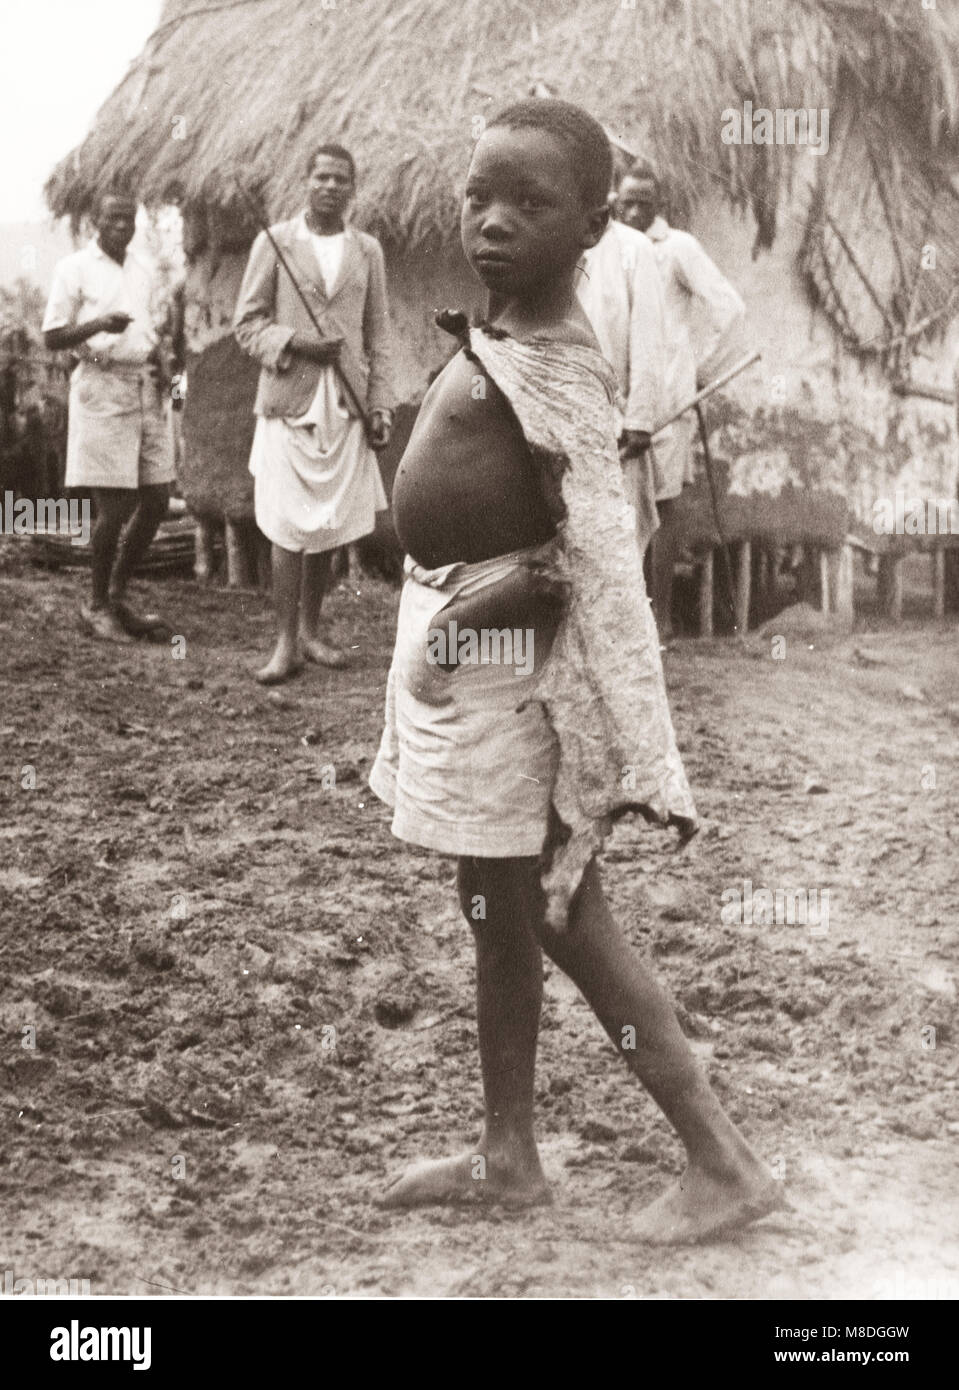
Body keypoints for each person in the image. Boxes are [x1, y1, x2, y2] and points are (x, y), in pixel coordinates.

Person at [369, 98, 779, 1242]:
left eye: (529, 203)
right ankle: (507, 1153)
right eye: (478, 196)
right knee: (494, 903)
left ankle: (723, 1159)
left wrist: (470, 625)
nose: (492, 221)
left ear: (591, 226)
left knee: (561, 912)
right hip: (465, 650)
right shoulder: (506, 340)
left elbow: (586, 567)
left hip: (510, 669)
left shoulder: (559, 369)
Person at [234, 143, 396, 684]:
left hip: (345, 403)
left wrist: (380, 405)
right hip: (289, 402)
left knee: (325, 525)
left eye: (340, 179)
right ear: (306, 181)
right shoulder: (276, 243)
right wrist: (299, 342)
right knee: (287, 522)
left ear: (353, 188)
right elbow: (247, 325)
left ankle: (310, 630)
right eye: (321, 177)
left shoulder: (367, 250)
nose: (330, 187)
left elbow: (379, 335)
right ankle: (284, 644)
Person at [42, 192, 180, 642]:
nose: (122, 225)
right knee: (116, 505)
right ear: (95, 223)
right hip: (100, 386)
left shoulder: (141, 269)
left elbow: (150, 328)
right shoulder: (74, 269)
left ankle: (118, 594)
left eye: (128, 218)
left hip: (142, 385)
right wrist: (100, 324)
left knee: (158, 495)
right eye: (112, 218)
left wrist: (161, 361)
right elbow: (53, 337)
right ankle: (96, 603)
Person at [616, 162, 745, 638]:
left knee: (662, 508)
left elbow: (728, 309)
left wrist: (698, 369)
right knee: (623, 508)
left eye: (642, 204)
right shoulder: (610, 247)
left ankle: (661, 618)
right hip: (623, 401)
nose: (631, 211)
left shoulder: (677, 249)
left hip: (667, 404)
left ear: (659, 206)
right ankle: (626, 621)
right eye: (624, 201)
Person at [576, 204, 668, 554]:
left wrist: (640, 420)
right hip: (558, 419)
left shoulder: (633, 249)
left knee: (618, 547)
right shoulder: (550, 241)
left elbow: (648, 337)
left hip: (613, 425)